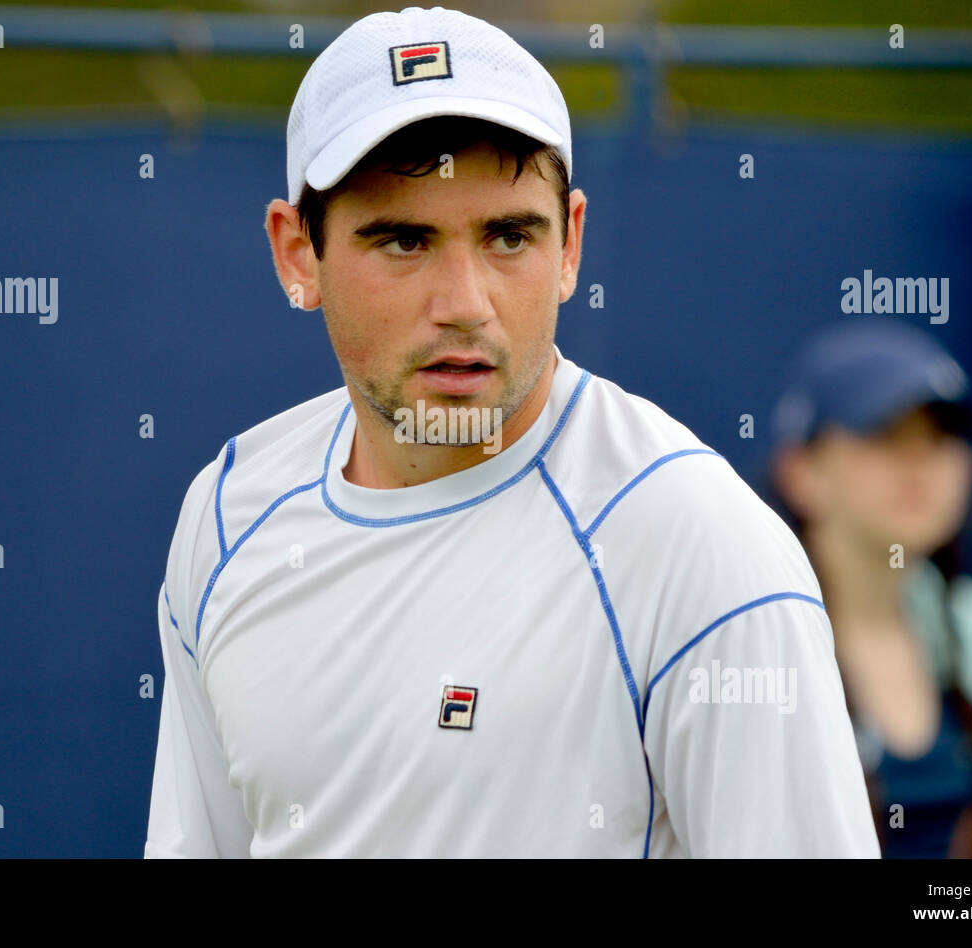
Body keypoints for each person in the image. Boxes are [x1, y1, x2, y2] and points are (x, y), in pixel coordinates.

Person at [144, 5, 879, 858]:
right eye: (404, 240)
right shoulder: (227, 514)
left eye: (507, 236)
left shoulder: (701, 542)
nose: (465, 304)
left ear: (569, 246)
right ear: (297, 254)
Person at [768, 322, 972, 858]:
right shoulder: (747, 641)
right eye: (884, 434)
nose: (919, 464)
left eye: (940, 437)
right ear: (801, 471)